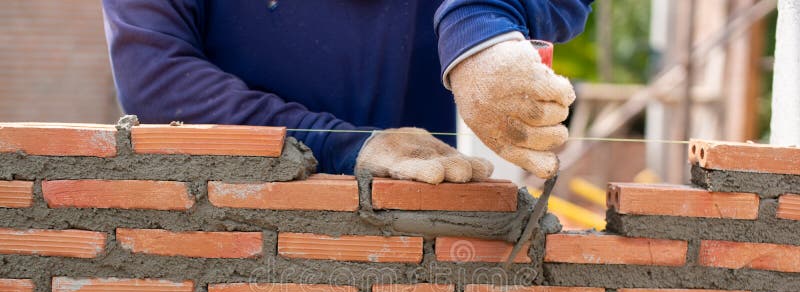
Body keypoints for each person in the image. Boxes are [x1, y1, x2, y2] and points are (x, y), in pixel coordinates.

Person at [102, 1, 592, 183]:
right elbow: (156, 75)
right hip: (229, 243)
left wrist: (481, 25)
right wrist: (342, 144)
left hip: (413, 246)